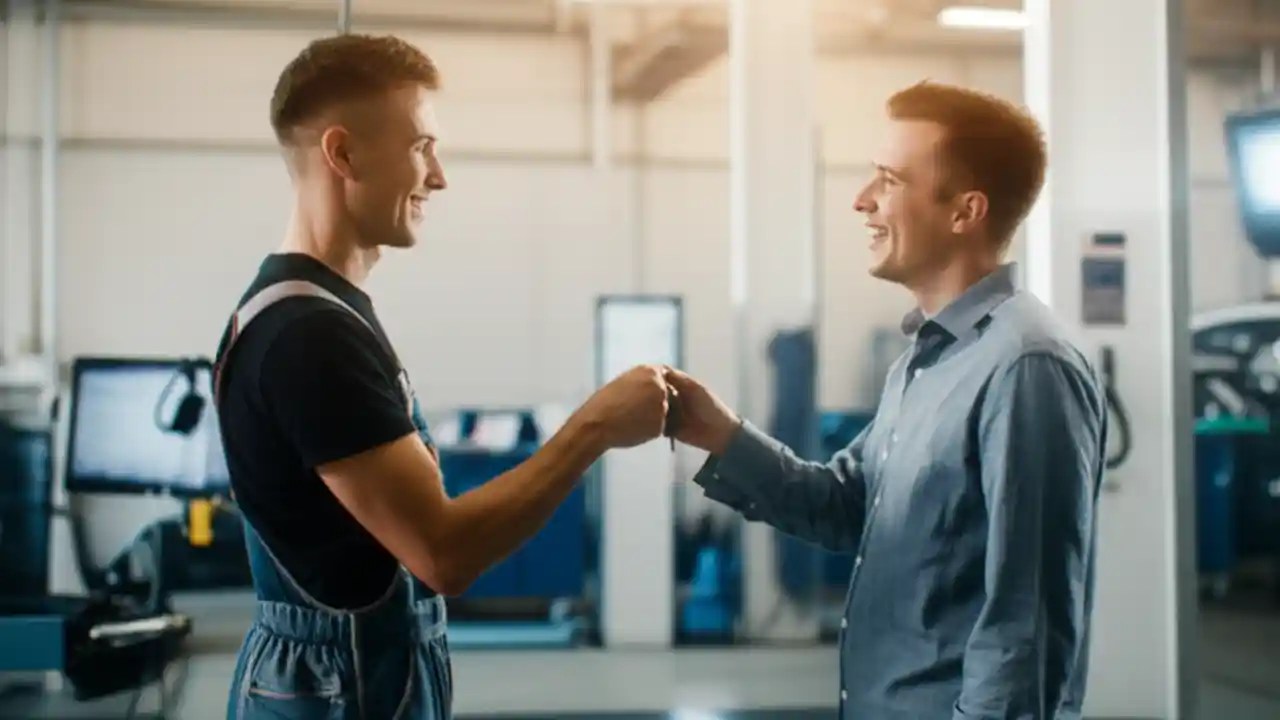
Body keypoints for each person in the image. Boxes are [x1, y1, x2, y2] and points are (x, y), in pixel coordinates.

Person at [213, 34, 670, 720]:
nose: (439, 175)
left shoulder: (307, 312)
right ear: (342, 153)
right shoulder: (309, 335)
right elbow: (443, 553)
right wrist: (595, 427)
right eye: (421, 146)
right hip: (339, 697)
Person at [664, 81, 1107, 719]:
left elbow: (1026, 626)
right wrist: (722, 435)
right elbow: (848, 507)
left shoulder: (1026, 367)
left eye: (889, 180)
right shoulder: (926, 361)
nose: (861, 201)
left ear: (965, 211)